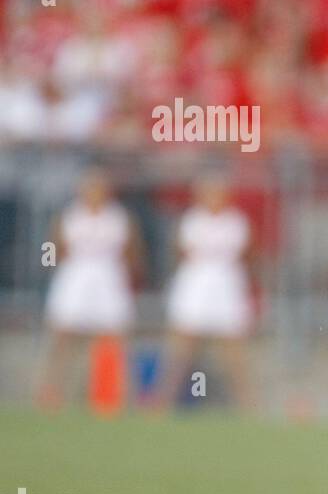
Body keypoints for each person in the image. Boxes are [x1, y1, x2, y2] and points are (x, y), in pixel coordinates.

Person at [38, 168, 140, 411]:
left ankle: (117, 397)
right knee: (62, 337)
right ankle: (50, 393)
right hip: (76, 275)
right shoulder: (69, 216)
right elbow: (51, 249)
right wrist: (58, 267)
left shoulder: (119, 218)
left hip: (107, 277)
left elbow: (133, 253)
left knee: (115, 338)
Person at [156, 175, 256, 411]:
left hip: (225, 287)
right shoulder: (192, 221)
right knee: (181, 349)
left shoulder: (236, 222)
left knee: (234, 352)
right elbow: (181, 252)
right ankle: (161, 403)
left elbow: (248, 254)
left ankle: (248, 405)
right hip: (196, 286)